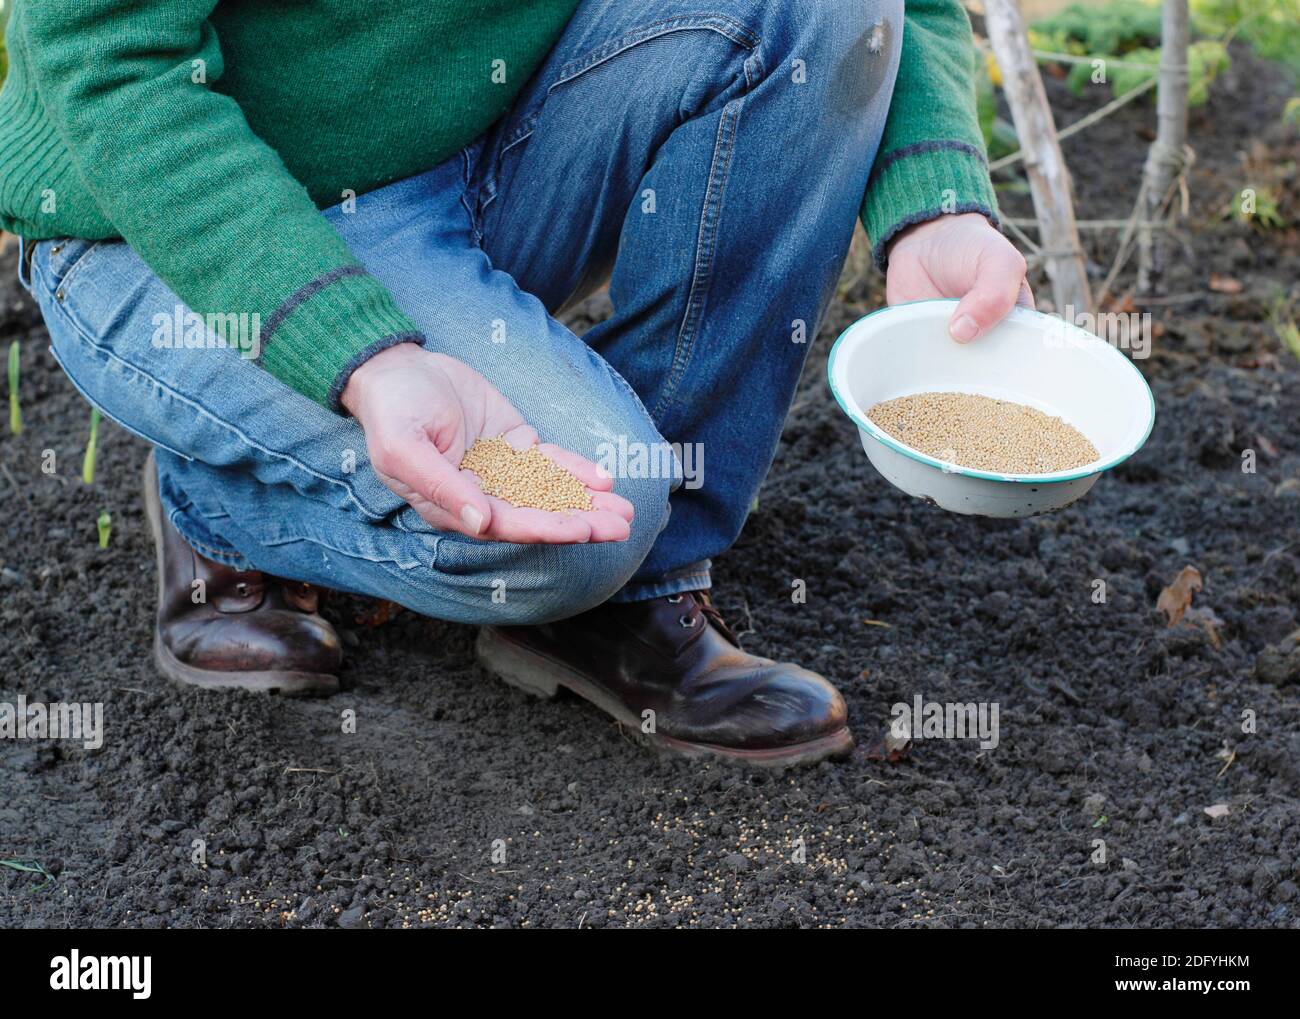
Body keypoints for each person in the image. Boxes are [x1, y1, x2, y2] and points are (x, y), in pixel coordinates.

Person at [1, 0, 1030, 766]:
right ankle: (223, 500)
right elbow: (111, 66)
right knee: (587, 521)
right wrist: (357, 352)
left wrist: (930, 191)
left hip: (476, 148)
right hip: (163, 225)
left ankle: (638, 597)